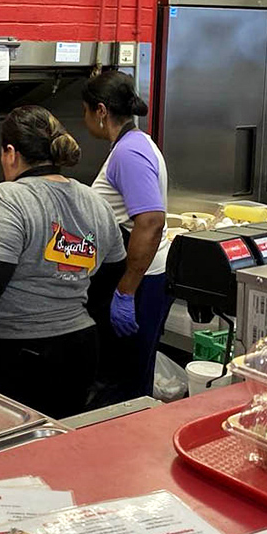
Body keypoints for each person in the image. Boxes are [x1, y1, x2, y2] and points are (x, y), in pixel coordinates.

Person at [0, 105, 126, 419]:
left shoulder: (9, 198)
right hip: (78, 352)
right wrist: (67, 302)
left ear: (10, 152)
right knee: (53, 449)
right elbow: (112, 271)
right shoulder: (95, 202)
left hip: (10, 360)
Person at [82, 70, 169, 403]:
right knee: (130, 382)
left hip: (139, 282)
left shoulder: (128, 153)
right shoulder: (134, 143)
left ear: (101, 111)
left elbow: (150, 221)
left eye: (86, 110)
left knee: (122, 387)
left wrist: (125, 292)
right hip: (138, 279)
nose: (85, 118)